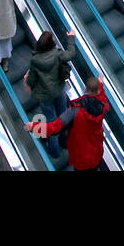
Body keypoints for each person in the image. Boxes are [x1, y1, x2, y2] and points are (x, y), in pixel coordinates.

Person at [26, 76, 109, 171]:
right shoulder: (103, 106)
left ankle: (55, 150)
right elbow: (101, 96)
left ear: (86, 89)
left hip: (80, 158)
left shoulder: (75, 111)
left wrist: (34, 127)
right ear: (97, 91)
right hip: (96, 153)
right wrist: (100, 84)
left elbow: (55, 127)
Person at [24, 29, 76, 158]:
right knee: (63, 116)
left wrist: (27, 79)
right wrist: (70, 39)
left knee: (51, 122)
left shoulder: (35, 61)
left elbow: (31, 80)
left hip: (45, 96)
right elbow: (70, 53)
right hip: (59, 90)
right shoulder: (57, 54)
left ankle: (54, 150)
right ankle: (64, 142)